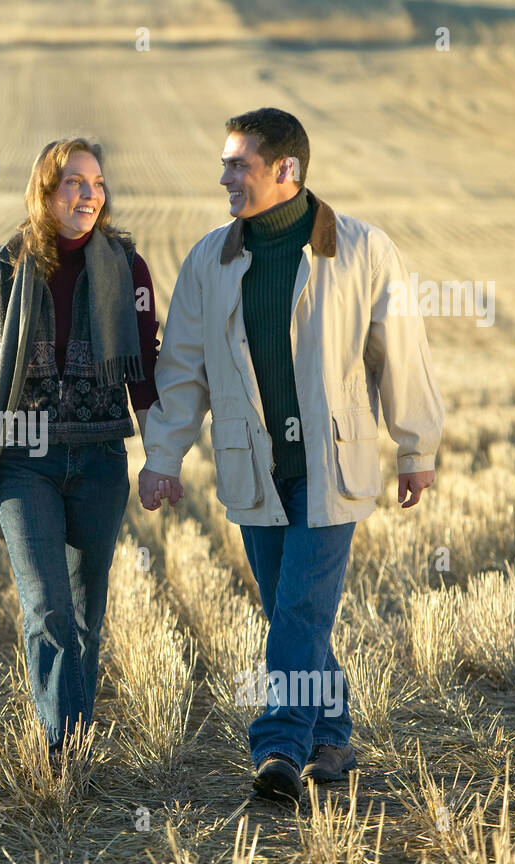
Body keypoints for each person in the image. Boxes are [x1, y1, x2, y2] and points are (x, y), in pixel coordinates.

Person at [138, 108, 444, 803]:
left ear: (287, 171)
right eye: (224, 163)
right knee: (289, 612)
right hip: (254, 468)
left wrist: (415, 447)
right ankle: (332, 737)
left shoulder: (362, 249)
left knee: (302, 610)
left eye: (237, 164)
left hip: (334, 468)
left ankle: (279, 745)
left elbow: (399, 352)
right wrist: (163, 456)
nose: (224, 177)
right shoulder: (210, 257)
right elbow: (182, 367)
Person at [0, 137, 160, 759]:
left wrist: (161, 457)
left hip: (100, 457)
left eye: (97, 183)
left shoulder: (127, 267)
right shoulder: (8, 264)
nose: (88, 194)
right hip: (24, 459)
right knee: (46, 606)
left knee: (83, 616)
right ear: (45, 191)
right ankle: (66, 751)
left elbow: (144, 371)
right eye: (73, 182)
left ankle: (71, 740)